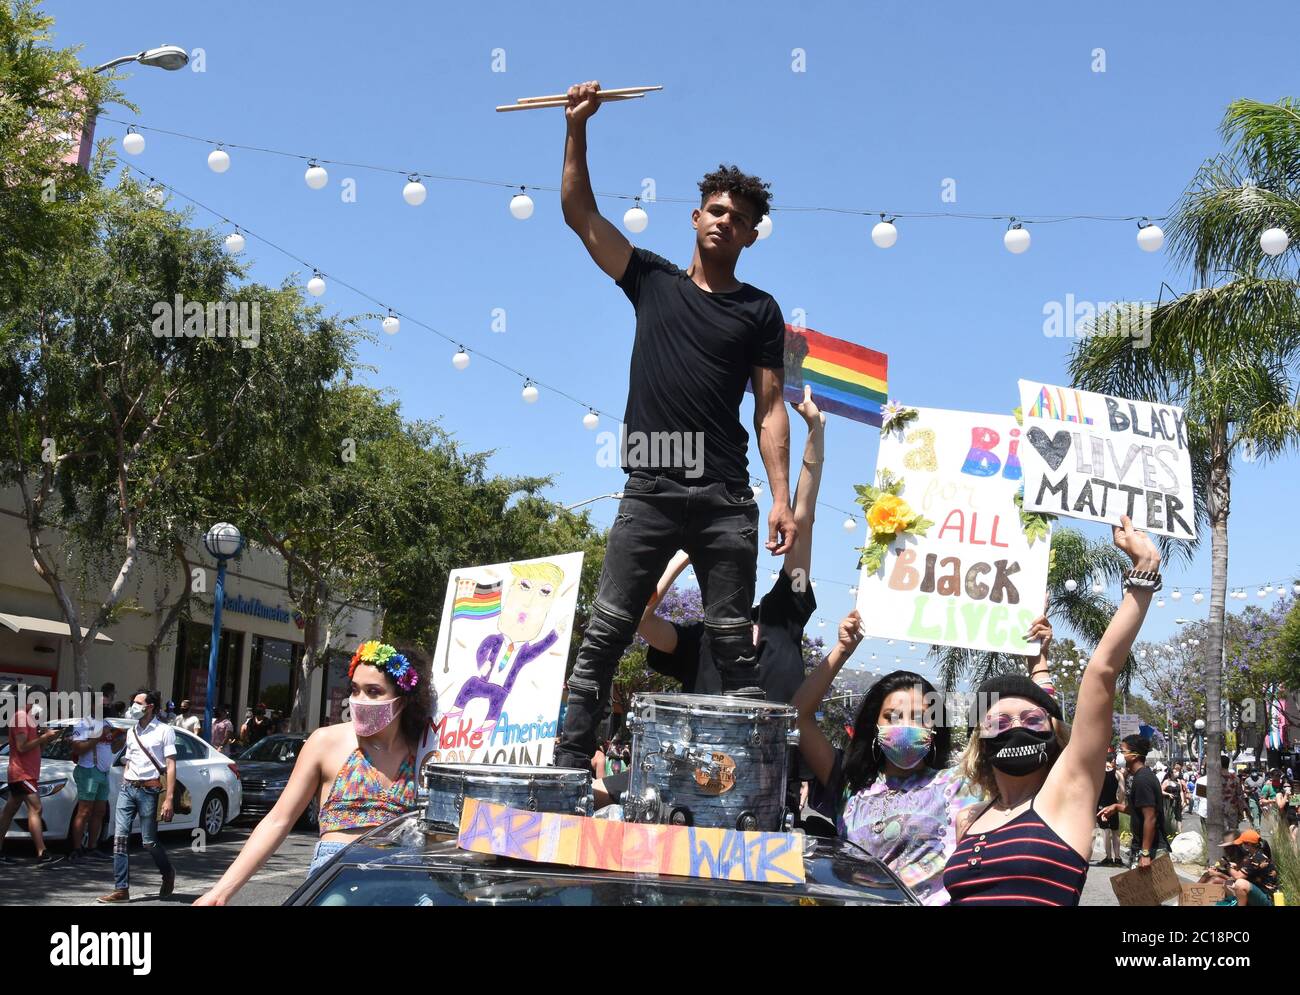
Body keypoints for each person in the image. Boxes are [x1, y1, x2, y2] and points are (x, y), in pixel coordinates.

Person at [552, 80, 795, 771]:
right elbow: (579, 212)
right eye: (716, 210)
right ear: (695, 217)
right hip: (651, 483)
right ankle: (570, 767)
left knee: (731, 644)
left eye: (739, 217)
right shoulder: (651, 279)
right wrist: (577, 127)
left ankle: (749, 787)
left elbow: (770, 407)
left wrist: (781, 498)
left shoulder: (760, 311)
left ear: (751, 234)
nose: (725, 221)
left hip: (725, 497)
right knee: (605, 633)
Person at [598, 386, 827, 811]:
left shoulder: (783, 617)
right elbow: (643, 619)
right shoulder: (698, 640)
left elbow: (803, 519)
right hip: (695, 800)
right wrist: (684, 553)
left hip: (769, 801)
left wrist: (815, 432)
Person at [942, 516, 1160, 906]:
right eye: (999, 721)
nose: (1017, 728)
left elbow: (1101, 675)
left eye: (1031, 721)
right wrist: (1037, 662)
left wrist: (1142, 576)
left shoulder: (1065, 797)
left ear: (1051, 730)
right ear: (980, 738)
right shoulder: (970, 820)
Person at [194, 641, 430, 904]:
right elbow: (278, 820)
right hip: (340, 880)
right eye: (355, 689)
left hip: (405, 881)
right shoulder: (325, 742)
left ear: (404, 699)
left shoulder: (423, 749)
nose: (359, 700)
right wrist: (220, 892)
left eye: (373, 691)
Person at [793, 619, 984, 904]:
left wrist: (1038, 665)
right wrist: (843, 649)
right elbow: (799, 716)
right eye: (893, 716)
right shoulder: (848, 783)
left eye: (920, 717)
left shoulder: (958, 784)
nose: (906, 726)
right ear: (874, 725)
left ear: (935, 729)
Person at [99, 689, 177, 902]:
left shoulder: (165, 730)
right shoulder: (132, 731)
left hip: (150, 790)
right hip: (128, 789)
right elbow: (129, 759)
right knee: (120, 839)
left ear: (150, 706)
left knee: (149, 841)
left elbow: (170, 765)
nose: (133, 706)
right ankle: (121, 889)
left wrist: (169, 798)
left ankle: (167, 873)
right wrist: (126, 778)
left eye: (137, 702)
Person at [0, 692, 61, 866]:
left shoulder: (30, 719)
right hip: (22, 773)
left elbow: (36, 747)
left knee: (9, 811)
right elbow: (21, 746)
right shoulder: (20, 717)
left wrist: (47, 738)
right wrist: (43, 737)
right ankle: (42, 852)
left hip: (27, 772)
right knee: (36, 808)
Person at [1101, 734, 1171, 868]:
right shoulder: (1141, 776)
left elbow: (1150, 817)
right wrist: (1116, 807)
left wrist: (1145, 854)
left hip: (1151, 850)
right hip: (1143, 848)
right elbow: (1138, 811)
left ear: (1134, 755)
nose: (1119, 756)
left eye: (1122, 751)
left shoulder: (1142, 780)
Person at [67, 709, 126, 862]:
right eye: (104, 702)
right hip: (89, 771)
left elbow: (111, 748)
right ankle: (76, 850)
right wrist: (95, 738)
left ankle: (92, 847)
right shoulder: (84, 724)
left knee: (99, 811)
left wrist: (121, 739)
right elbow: (77, 749)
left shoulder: (106, 723)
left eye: (109, 701)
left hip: (104, 773)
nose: (107, 705)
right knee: (84, 811)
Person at [1200, 829, 1279, 907]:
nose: (1240, 846)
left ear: (1248, 844)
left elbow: (1238, 877)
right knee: (1228, 883)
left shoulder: (1257, 858)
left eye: (1242, 844)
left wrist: (1226, 866)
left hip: (1266, 897)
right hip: (1258, 892)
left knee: (1240, 883)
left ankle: (1196, 898)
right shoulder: (1253, 856)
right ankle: (1193, 898)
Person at [1095, 753, 1124, 867]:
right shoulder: (1118, 774)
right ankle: (1117, 857)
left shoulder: (1098, 773)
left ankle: (1108, 857)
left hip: (1101, 805)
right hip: (1113, 804)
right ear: (1112, 760)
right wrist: (1119, 804)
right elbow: (1122, 791)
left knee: (1105, 831)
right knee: (1115, 831)